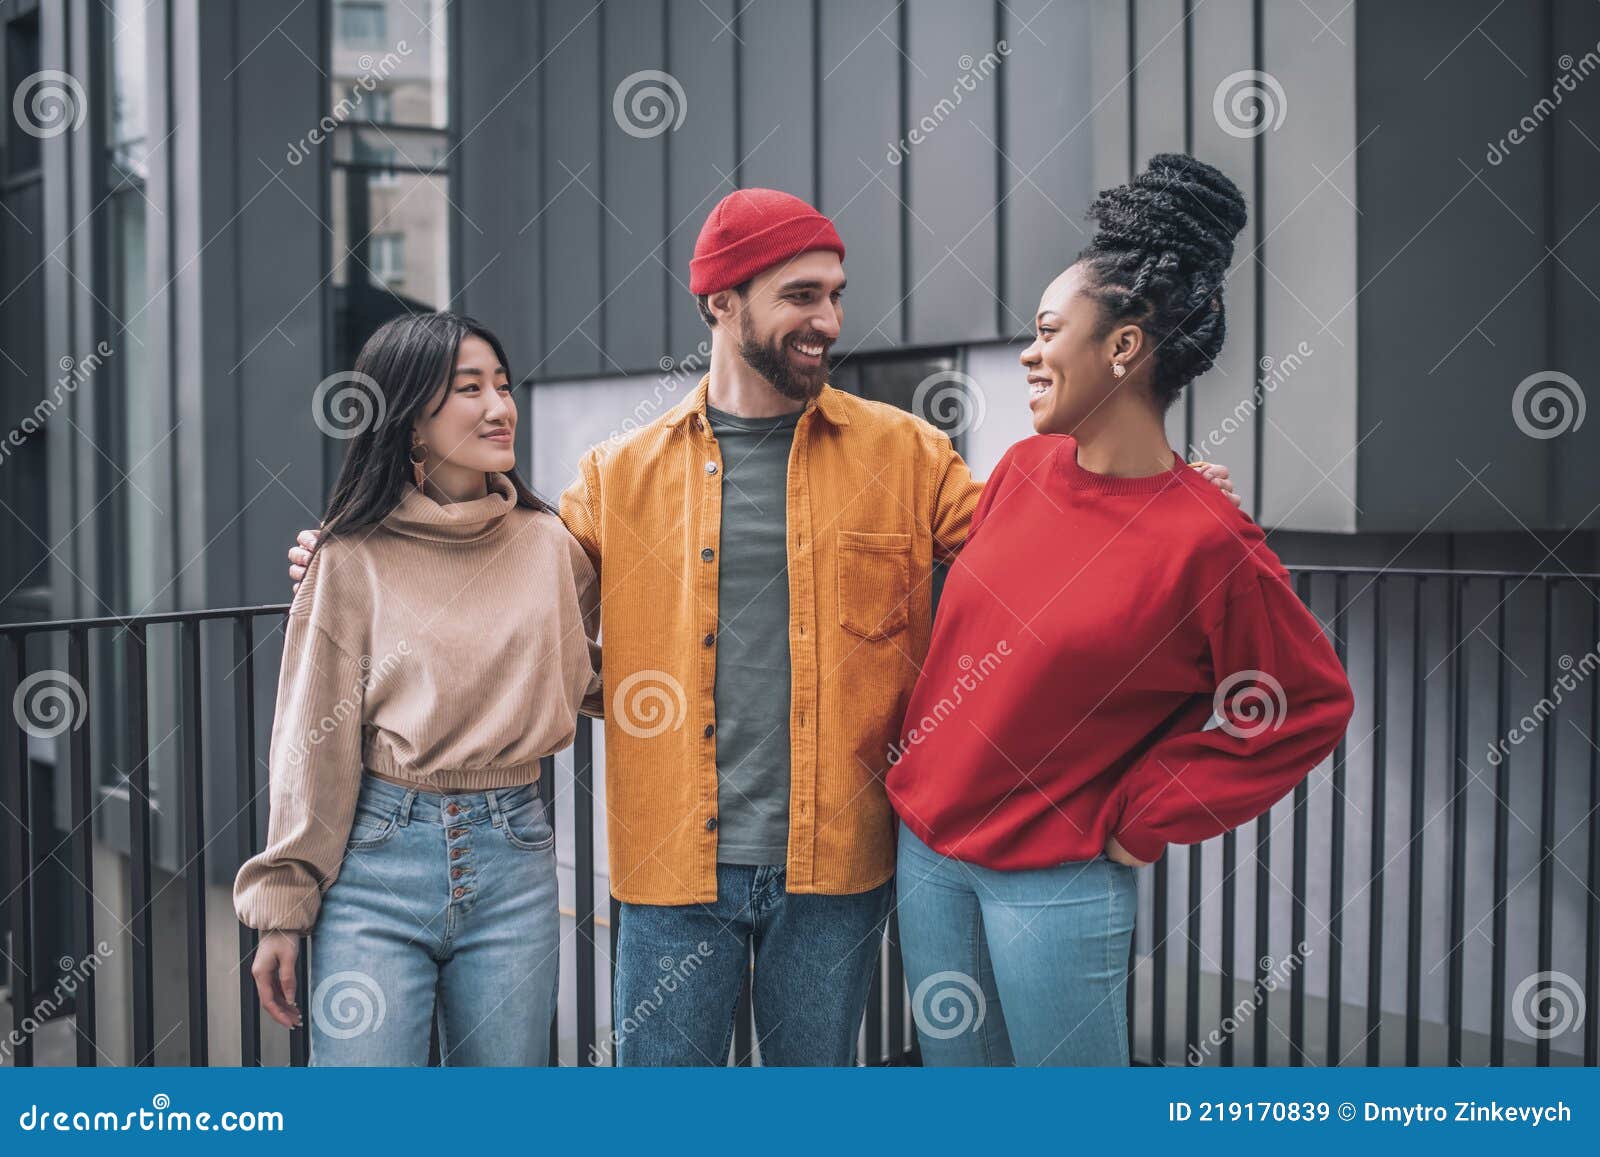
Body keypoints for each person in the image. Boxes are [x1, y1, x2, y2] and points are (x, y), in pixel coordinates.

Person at [287, 189, 1239, 1066]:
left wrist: (1163, 497)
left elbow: (1041, 549)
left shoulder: (908, 453)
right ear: (722, 304)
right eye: (800, 294)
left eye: (835, 293)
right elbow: (506, 581)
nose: (827, 319)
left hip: (836, 871)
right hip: (672, 875)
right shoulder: (618, 477)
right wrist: (362, 557)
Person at [886, 153, 1356, 1066]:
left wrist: (1149, 815)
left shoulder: (1210, 542)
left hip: (1055, 882)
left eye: (1048, 329)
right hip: (928, 856)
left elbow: (1307, 703)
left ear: (1124, 347)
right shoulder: (1020, 473)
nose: (1027, 350)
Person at [237, 312, 600, 1065]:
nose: (501, 406)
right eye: (470, 389)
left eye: (503, 385)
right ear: (409, 418)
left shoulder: (550, 545)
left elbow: (599, 670)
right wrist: (282, 908)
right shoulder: (347, 557)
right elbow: (312, 739)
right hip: (376, 860)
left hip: (516, 854)